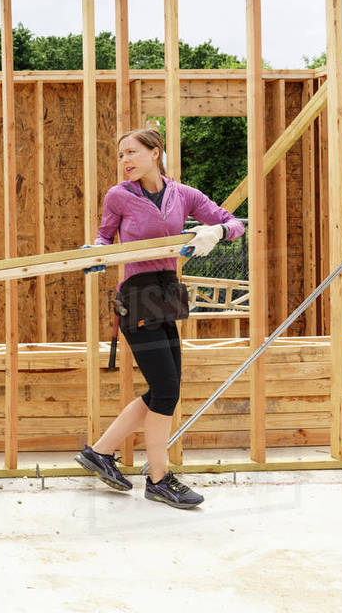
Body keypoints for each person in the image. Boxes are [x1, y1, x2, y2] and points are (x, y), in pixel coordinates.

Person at [75, 127, 243, 509]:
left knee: (164, 390)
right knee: (165, 389)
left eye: (131, 152)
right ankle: (159, 479)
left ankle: (100, 454)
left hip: (167, 293)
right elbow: (104, 238)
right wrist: (95, 255)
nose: (124, 161)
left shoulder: (184, 195)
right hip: (135, 296)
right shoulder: (118, 196)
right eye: (120, 155)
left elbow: (235, 224)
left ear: (155, 153)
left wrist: (215, 231)